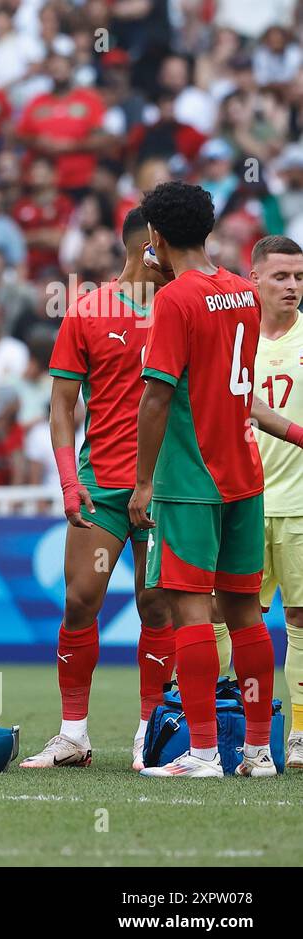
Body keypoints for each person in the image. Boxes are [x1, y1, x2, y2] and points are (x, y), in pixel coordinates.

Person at [130, 182, 284, 778]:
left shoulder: (174, 299)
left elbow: (156, 398)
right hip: (246, 471)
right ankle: (258, 751)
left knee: (190, 614)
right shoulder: (244, 293)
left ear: (156, 238)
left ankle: (198, 752)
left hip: (192, 478)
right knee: (246, 615)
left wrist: (143, 483)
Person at [20, 209, 176, 770]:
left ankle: (150, 734)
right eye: (173, 251)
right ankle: (73, 735)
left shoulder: (183, 311)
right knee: (81, 599)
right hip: (102, 486)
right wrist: (68, 480)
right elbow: (61, 407)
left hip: (167, 485)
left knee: (156, 605)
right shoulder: (88, 311)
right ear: (149, 250)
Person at [248, 235, 303, 768]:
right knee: (232, 618)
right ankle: (239, 727)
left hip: (301, 505)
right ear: (255, 278)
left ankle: (300, 734)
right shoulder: (235, 336)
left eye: (299, 278)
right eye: (281, 277)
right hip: (241, 501)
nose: (291, 286)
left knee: (302, 620)